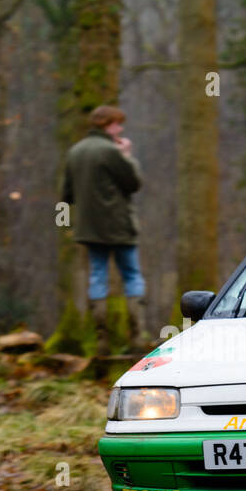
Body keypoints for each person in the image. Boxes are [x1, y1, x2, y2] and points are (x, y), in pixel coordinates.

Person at [61, 104, 146, 356]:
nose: (120, 128)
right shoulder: (111, 151)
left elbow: (67, 194)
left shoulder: (75, 151)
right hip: (120, 226)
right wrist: (128, 156)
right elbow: (133, 183)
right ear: (109, 125)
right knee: (131, 275)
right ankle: (137, 338)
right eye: (118, 124)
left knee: (97, 277)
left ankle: (101, 342)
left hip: (89, 228)